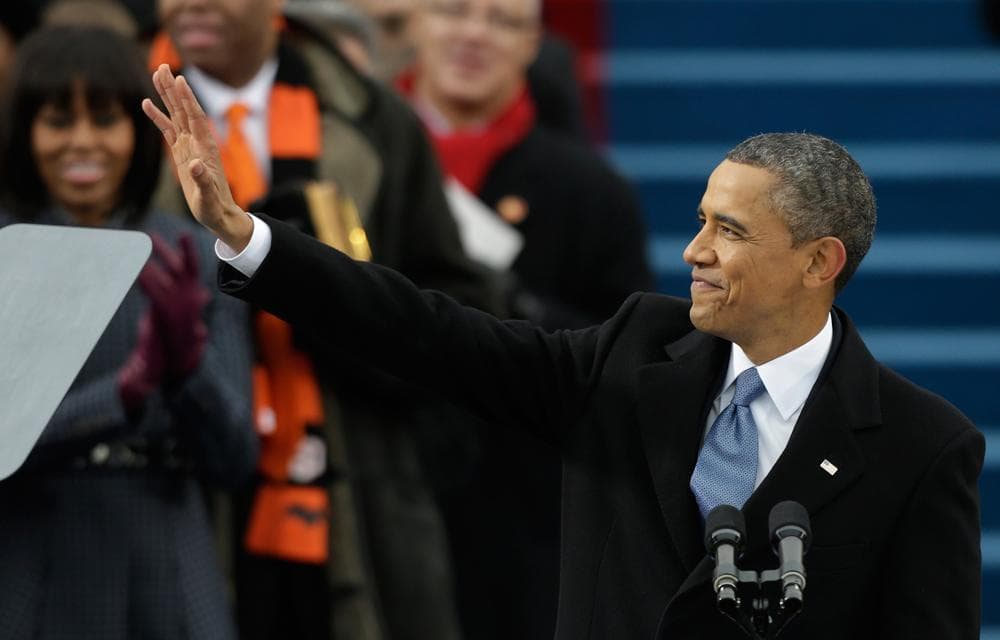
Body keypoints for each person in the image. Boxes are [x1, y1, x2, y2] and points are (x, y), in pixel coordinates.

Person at [146, 66, 985, 639]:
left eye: (728, 231)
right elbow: (432, 334)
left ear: (819, 262)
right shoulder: (630, 355)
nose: (694, 250)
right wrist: (248, 238)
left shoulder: (919, 446)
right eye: (699, 220)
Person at [151, 1, 498, 638]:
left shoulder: (379, 118)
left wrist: (343, 302)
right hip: (184, 485)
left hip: (361, 486)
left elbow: (459, 306)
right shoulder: (109, 120)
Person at [397, 0, 651, 635]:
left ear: (535, 42)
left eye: (502, 20)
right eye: (454, 12)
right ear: (416, 24)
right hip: (383, 488)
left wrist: (517, 302)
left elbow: (634, 357)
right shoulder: (349, 158)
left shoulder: (592, 189)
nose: (474, 35)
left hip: (525, 512)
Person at [0, 27, 255, 640]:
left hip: (168, 555)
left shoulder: (194, 253)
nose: (82, 143)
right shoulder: (7, 252)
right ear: (25, 133)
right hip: (32, 557)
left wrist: (188, 368)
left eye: (106, 120)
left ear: (137, 134)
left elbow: (234, 459)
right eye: (58, 121)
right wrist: (129, 390)